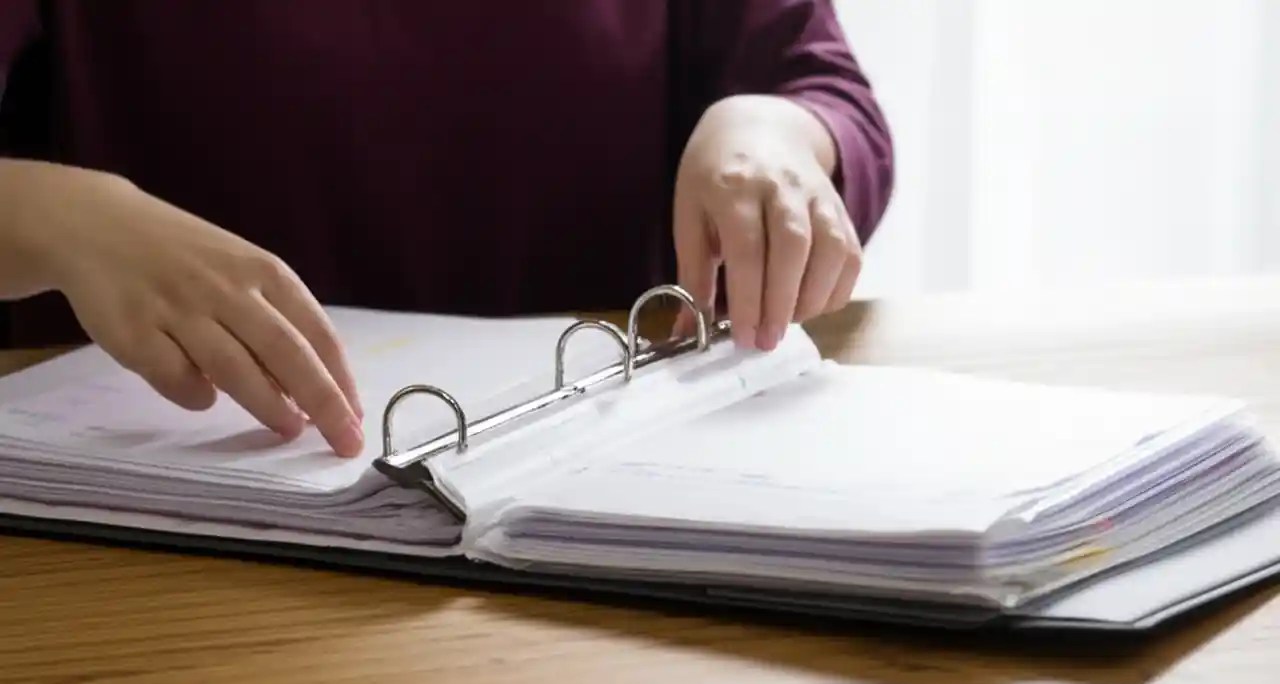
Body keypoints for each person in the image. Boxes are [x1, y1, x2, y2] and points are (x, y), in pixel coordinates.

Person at [0, 1, 894, 458]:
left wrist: (774, 131)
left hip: (589, 518)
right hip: (142, 543)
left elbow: (820, 92)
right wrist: (58, 216)